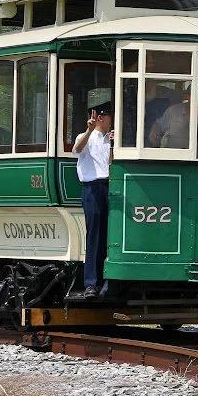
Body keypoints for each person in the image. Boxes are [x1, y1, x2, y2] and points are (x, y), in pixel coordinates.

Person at [72, 101, 114, 298]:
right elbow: (77, 150)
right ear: (100, 118)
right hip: (93, 187)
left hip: (109, 186)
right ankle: (91, 283)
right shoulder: (86, 137)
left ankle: (107, 280)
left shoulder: (110, 139)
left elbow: (112, 163)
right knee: (95, 235)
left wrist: (114, 144)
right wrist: (89, 131)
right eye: (108, 116)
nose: (111, 120)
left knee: (110, 234)